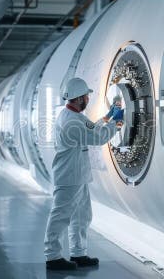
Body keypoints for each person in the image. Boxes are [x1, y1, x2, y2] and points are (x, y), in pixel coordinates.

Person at [44, 77, 124, 270]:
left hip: (77, 175)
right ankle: (52, 256)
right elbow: (99, 136)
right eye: (86, 96)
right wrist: (118, 123)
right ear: (79, 98)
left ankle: (78, 253)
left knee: (81, 216)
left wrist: (107, 117)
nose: (88, 99)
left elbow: (92, 128)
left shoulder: (74, 116)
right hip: (69, 176)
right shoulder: (71, 121)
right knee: (61, 215)